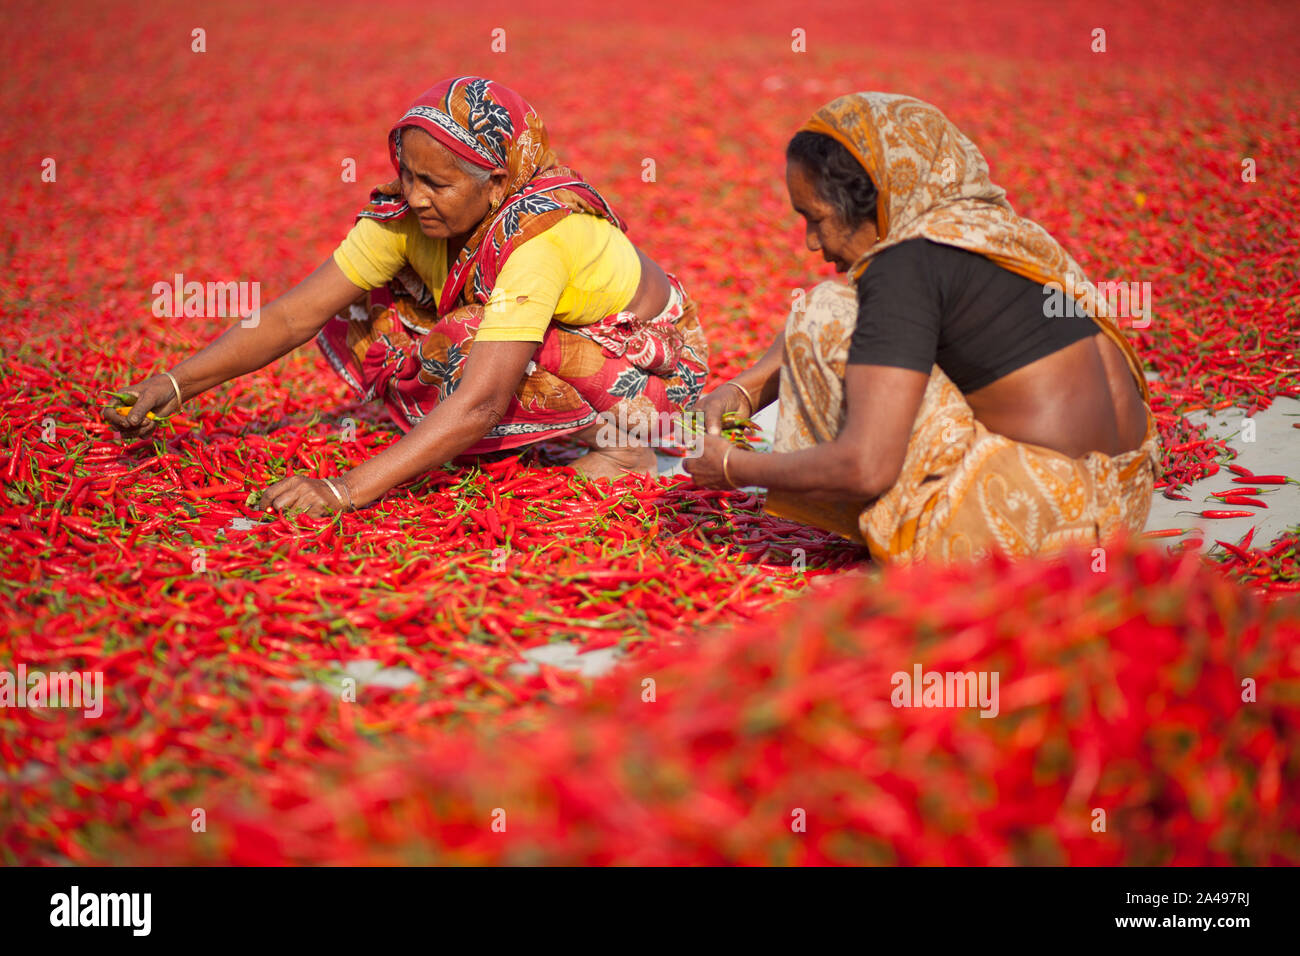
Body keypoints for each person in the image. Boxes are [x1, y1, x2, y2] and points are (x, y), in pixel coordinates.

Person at [104, 76, 709, 514]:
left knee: (465, 347)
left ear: (497, 182)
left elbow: (483, 399)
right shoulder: (407, 217)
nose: (416, 196)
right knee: (361, 305)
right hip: (555, 345)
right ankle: (527, 437)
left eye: (436, 183)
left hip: (651, 364)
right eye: (408, 176)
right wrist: (176, 384)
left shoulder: (537, 241)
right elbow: (294, 315)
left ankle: (622, 450)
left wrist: (344, 490)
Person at [686, 92, 1158, 563]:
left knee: (826, 313)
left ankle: (927, 538)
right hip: (1121, 508)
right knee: (841, 310)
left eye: (816, 219)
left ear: (876, 196)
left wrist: (733, 466)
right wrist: (744, 392)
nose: (812, 243)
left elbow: (867, 466)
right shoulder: (1001, 236)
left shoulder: (904, 267)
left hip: (1029, 530)